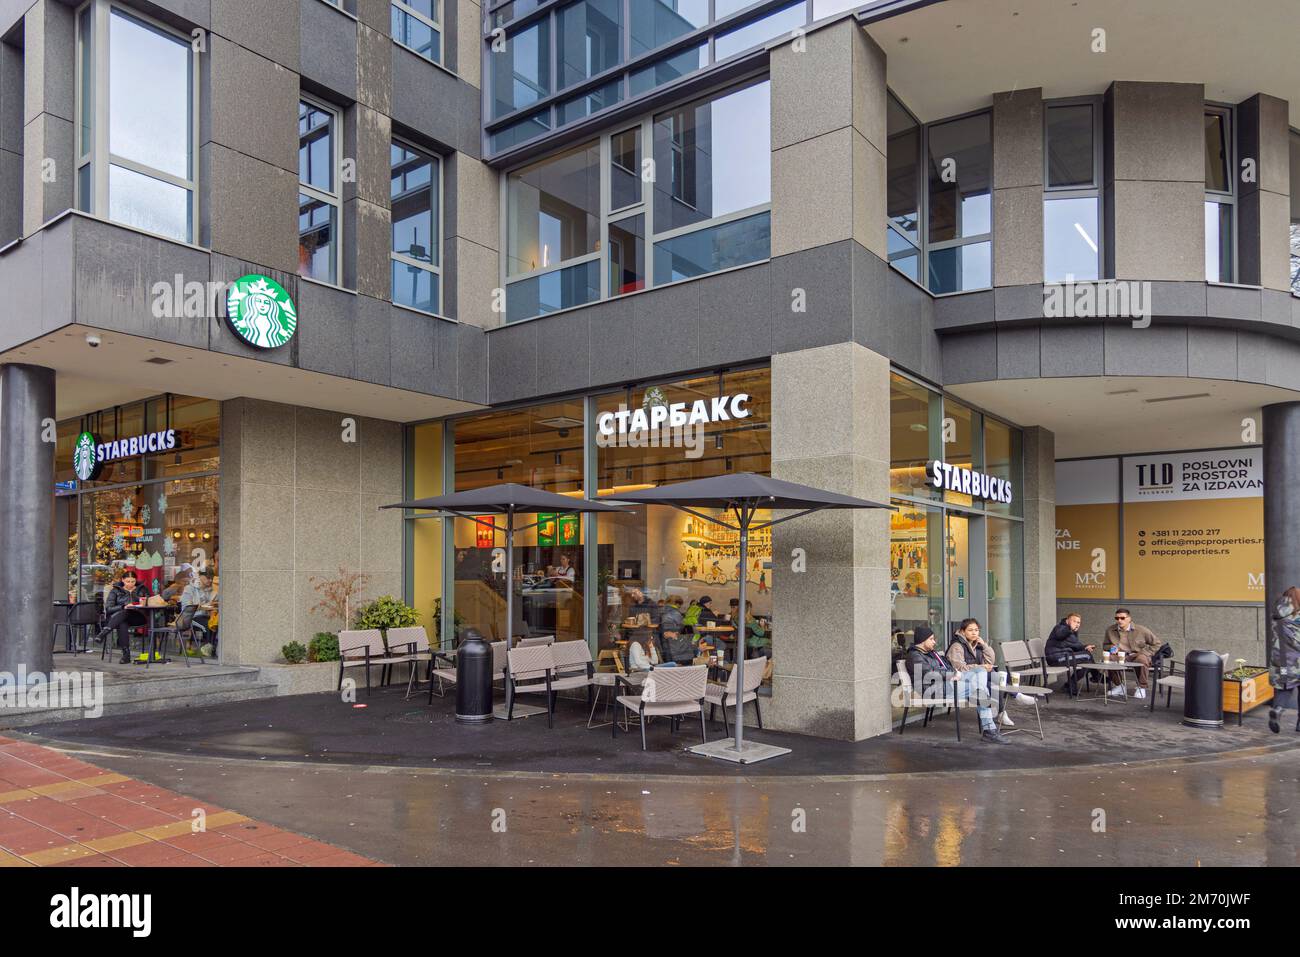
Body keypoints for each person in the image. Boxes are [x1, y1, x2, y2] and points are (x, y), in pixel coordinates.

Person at [907, 625, 1007, 744]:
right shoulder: (915, 656)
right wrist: (952, 674)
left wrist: (954, 674)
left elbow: (947, 666)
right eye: (931, 639)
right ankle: (989, 730)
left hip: (949, 682)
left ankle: (979, 693)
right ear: (923, 640)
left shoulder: (931, 653)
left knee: (980, 671)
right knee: (981, 693)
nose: (934, 642)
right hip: (935, 689)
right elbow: (930, 674)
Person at [946, 618, 1034, 727]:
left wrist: (984, 646)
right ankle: (1015, 695)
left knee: (992, 682)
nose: (974, 633)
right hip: (962, 681)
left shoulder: (976, 644)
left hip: (977, 679)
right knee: (990, 675)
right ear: (963, 632)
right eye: (970, 630)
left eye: (976, 630)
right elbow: (958, 668)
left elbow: (990, 661)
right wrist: (980, 667)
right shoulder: (957, 646)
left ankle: (1003, 711)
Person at [1104, 608, 1161, 699]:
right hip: (1120, 655)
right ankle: (1120, 686)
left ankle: (1141, 687)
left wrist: (1146, 653)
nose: (1119, 620)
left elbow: (1157, 643)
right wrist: (1111, 647)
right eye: (1117, 618)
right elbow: (1105, 645)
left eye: (1122, 618)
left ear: (1129, 618)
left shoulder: (1141, 630)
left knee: (1142, 659)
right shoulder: (1110, 630)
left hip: (1137, 655)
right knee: (1109, 659)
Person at [96, 573, 150, 664]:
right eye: (128, 581)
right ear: (123, 580)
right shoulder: (115, 590)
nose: (130, 584)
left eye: (133, 581)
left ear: (136, 581)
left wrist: (143, 603)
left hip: (138, 617)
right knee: (123, 621)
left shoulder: (142, 589)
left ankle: (104, 632)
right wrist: (123, 606)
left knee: (124, 615)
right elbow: (108, 609)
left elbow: (149, 603)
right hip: (119, 618)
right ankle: (126, 655)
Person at [1267, 587, 1300, 734]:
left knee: (1284, 687)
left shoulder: (1276, 614)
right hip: (1297, 660)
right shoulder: (1297, 616)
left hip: (1280, 659)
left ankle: (1278, 709)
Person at [1045, 613, 1096, 697]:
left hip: (1064, 656)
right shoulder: (1060, 628)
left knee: (1087, 661)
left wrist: (1085, 647)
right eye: (1074, 621)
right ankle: (1096, 676)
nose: (1077, 624)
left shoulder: (1071, 631)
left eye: (1078, 622)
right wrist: (1069, 628)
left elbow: (1075, 646)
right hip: (1056, 658)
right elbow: (1060, 635)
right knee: (1087, 657)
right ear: (1067, 620)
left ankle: (1069, 685)